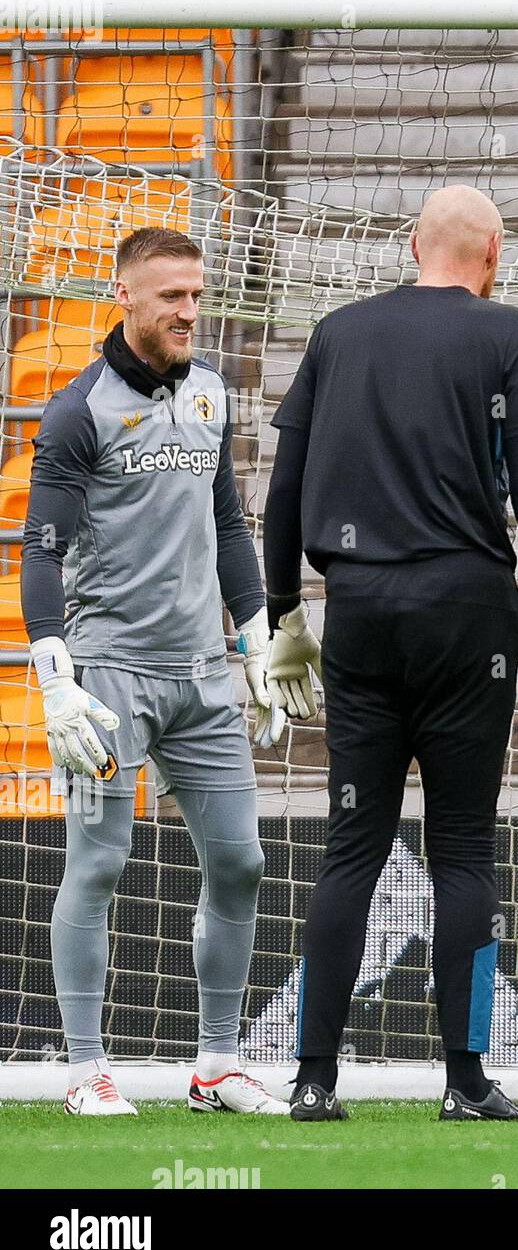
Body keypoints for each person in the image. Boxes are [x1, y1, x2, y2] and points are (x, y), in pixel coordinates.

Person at [262, 184, 518, 1123]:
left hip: (357, 609)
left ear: (414, 245)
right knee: (464, 851)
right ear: (491, 252)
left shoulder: (337, 333)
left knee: (349, 849)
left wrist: (285, 614)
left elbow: (284, 484)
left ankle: (314, 1080)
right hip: (467, 615)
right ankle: (466, 1079)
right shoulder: (510, 334)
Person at [22, 227, 285, 1117]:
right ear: (125, 298)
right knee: (98, 866)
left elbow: (231, 527)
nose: (187, 312)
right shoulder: (77, 410)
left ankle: (216, 1063)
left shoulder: (211, 395)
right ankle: (86, 1070)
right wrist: (55, 677)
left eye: (197, 295)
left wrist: (255, 642)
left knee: (242, 861)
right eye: (170, 296)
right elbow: (41, 548)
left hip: (203, 677)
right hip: (109, 681)